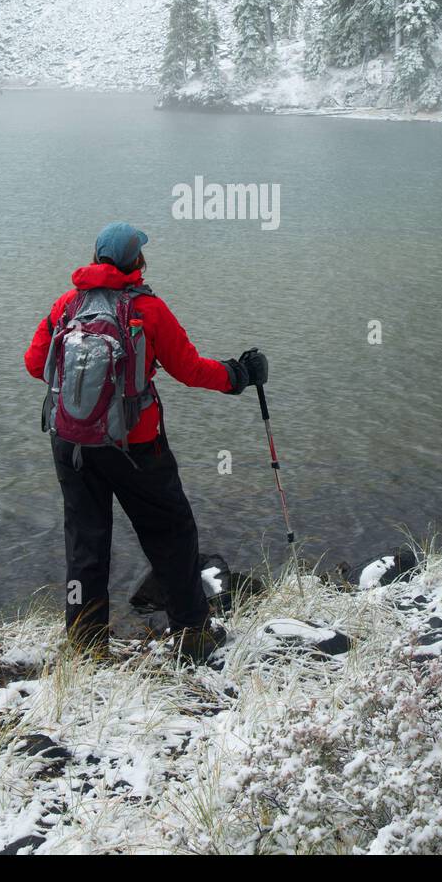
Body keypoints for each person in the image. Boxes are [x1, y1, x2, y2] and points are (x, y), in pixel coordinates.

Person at [24, 221, 266, 664]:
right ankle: (192, 633)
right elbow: (190, 369)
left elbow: (34, 363)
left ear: (96, 258)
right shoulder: (147, 309)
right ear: (136, 261)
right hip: (137, 448)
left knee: (86, 543)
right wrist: (238, 376)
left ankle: (85, 643)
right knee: (171, 535)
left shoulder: (66, 305)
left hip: (71, 444)